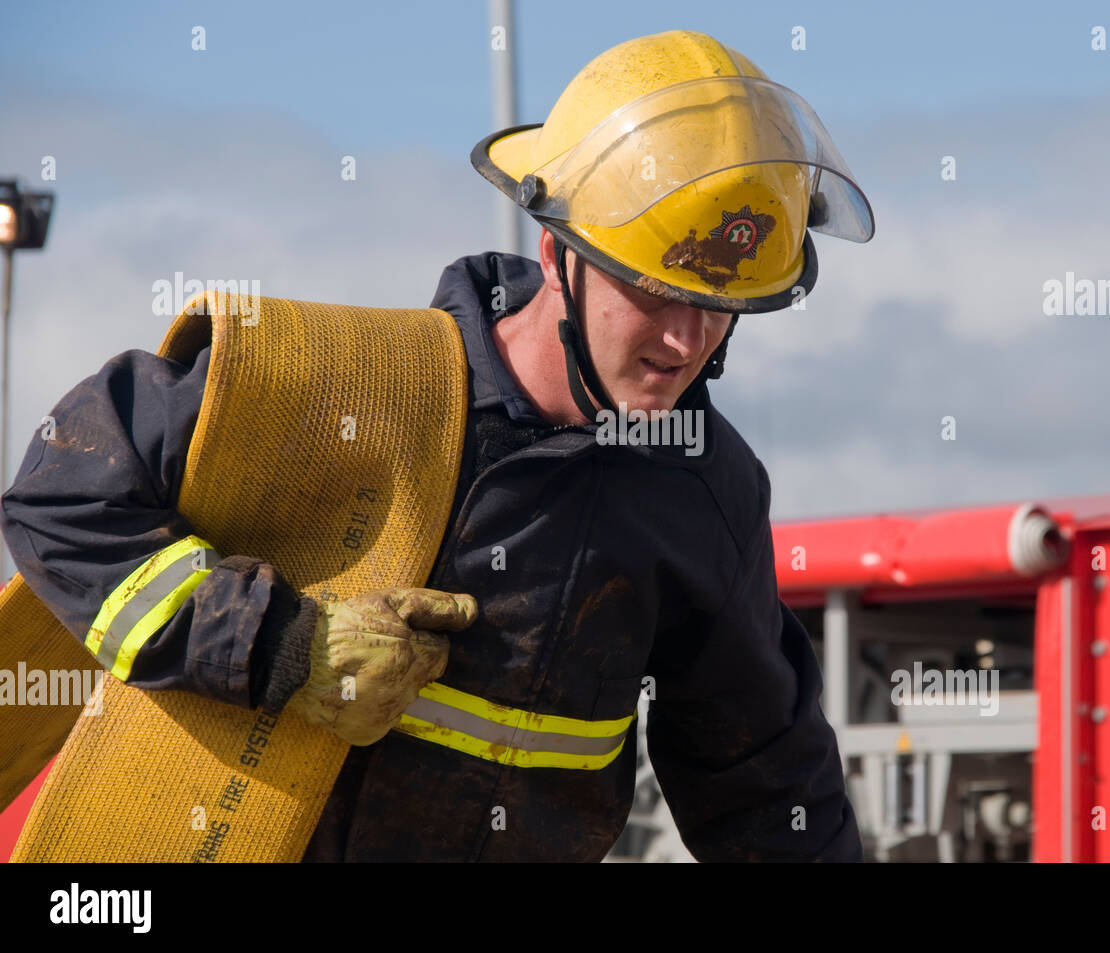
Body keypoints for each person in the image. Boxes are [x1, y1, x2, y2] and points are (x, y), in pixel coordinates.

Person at [1, 29, 873, 861]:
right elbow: (65, 495)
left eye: (720, 305)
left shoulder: (703, 493)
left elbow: (768, 786)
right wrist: (282, 648)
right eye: (655, 291)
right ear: (559, 249)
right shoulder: (344, 386)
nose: (688, 341)